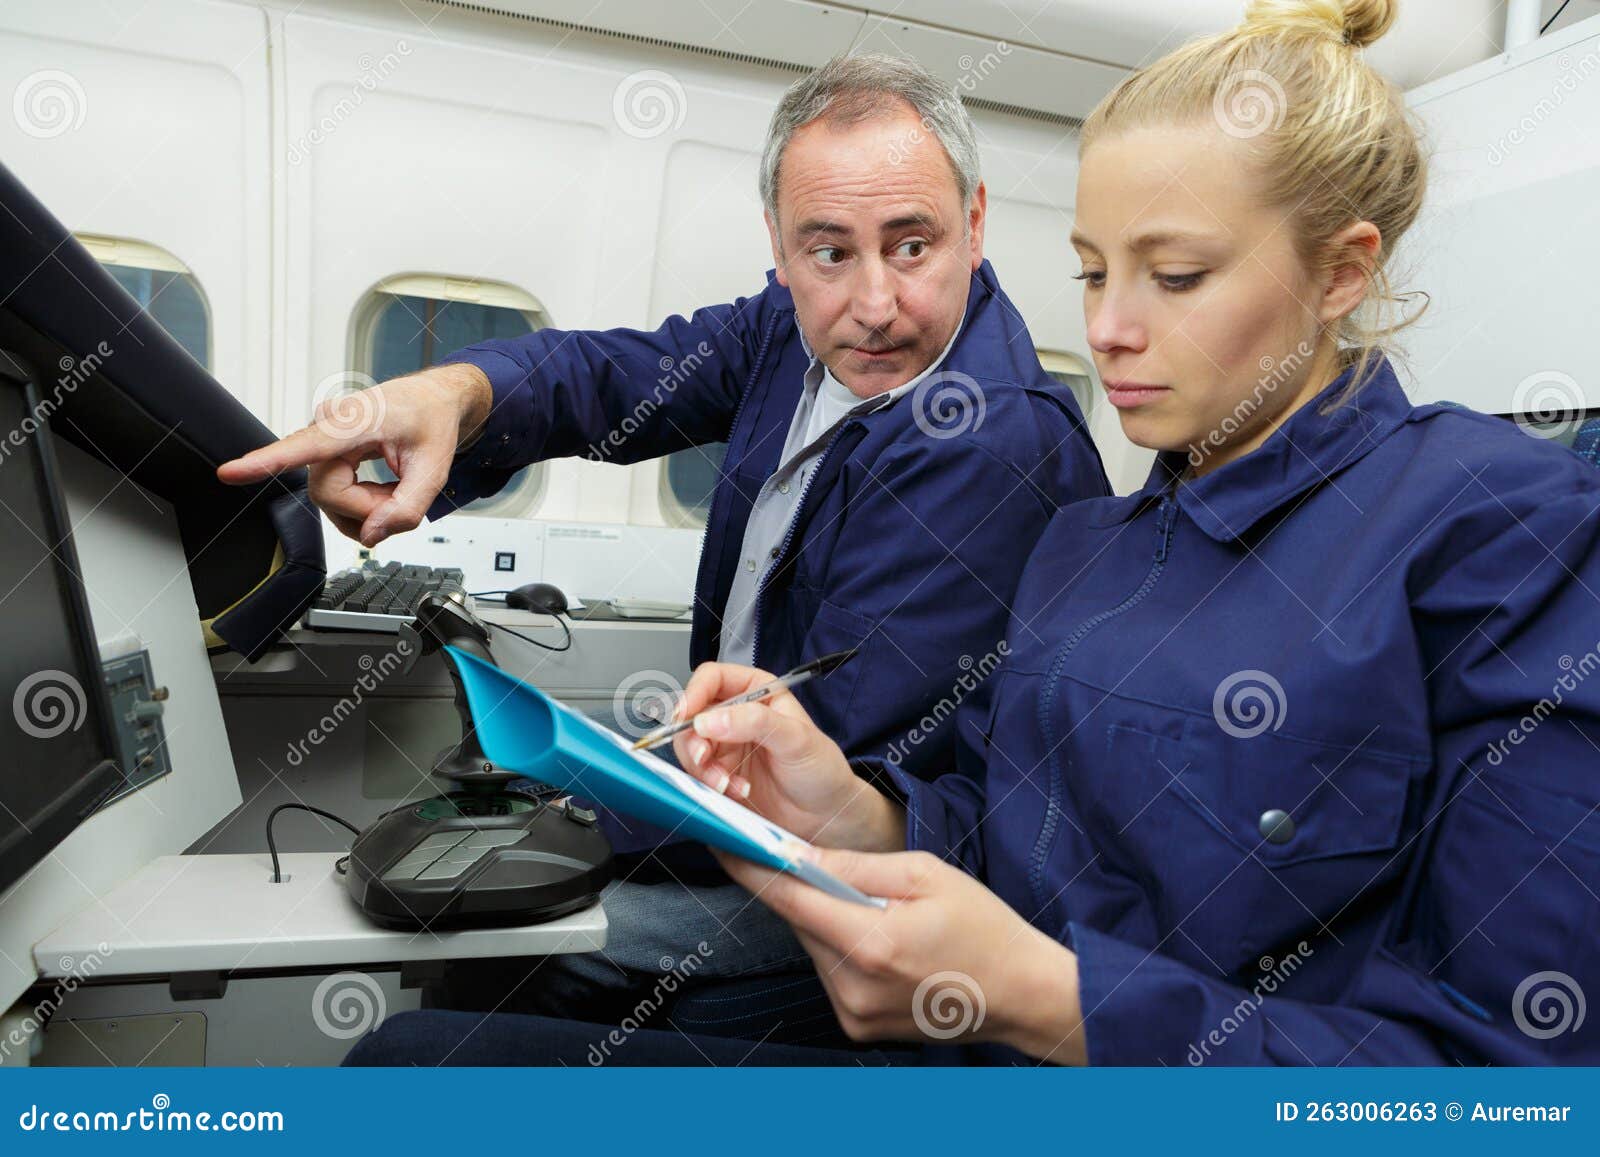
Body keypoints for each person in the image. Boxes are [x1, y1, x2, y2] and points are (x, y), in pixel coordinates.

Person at [346, 0, 1600, 1066]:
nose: (1105, 329)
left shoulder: (1499, 537)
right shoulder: (1093, 548)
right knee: (411, 1055)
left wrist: (1051, 999)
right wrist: (847, 808)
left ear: (1340, 273)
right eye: (1094, 271)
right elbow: (996, 833)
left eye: (1172, 277)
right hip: (976, 1062)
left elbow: (1509, 1086)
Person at [221, 55, 1108, 1030]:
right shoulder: (793, 327)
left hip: (848, 872)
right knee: (485, 921)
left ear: (974, 224)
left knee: (522, 956)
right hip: (737, 802)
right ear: (777, 244)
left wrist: (558, 808)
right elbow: (609, 375)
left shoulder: (987, 444)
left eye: (911, 245)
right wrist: (451, 394)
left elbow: (827, 787)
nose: (874, 303)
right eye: (829, 251)